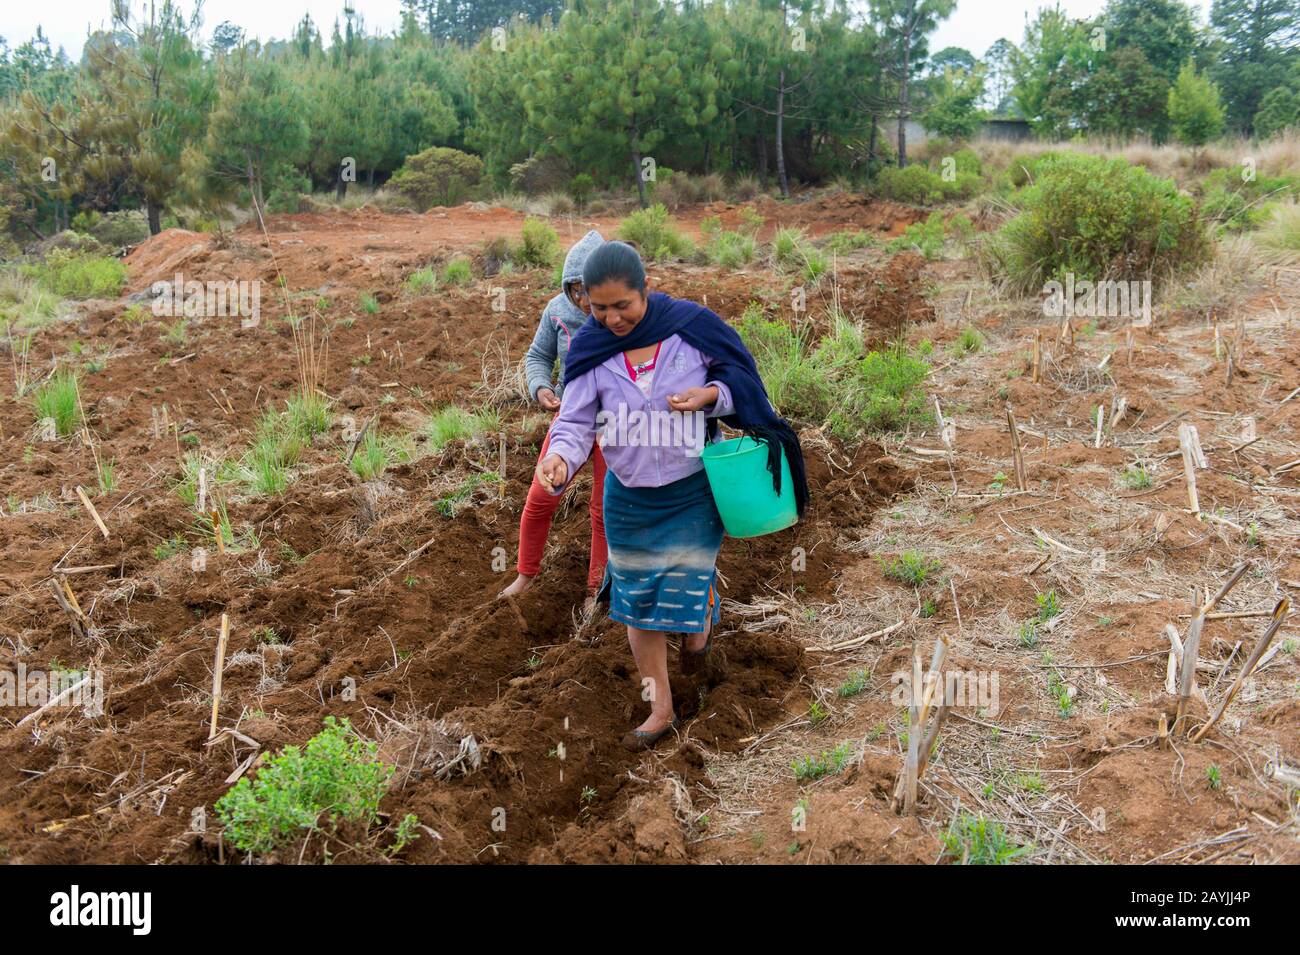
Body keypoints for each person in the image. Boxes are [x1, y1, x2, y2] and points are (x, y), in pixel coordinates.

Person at [537, 241, 809, 750]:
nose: (613, 318)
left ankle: (699, 643)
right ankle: (659, 707)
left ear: (646, 290)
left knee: (687, 586)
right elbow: (573, 422)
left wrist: (711, 397)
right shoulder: (591, 351)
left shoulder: (689, 330)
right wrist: (560, 458)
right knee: (638, 603)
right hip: (631, 497)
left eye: (623, 305)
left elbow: (739, 380)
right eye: (599, 308)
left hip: (692, 491)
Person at [499, 229, 608, 600]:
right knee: (541, 496)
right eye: (575, 290)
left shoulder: (621, 314)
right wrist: (542, 387)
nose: (582, 300)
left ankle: (597, 589)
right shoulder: (557, 310)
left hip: (614, 425)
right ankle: (525, 575)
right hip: (572, 417)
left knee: (603, 509)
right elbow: (538, 356)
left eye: (587, 290)